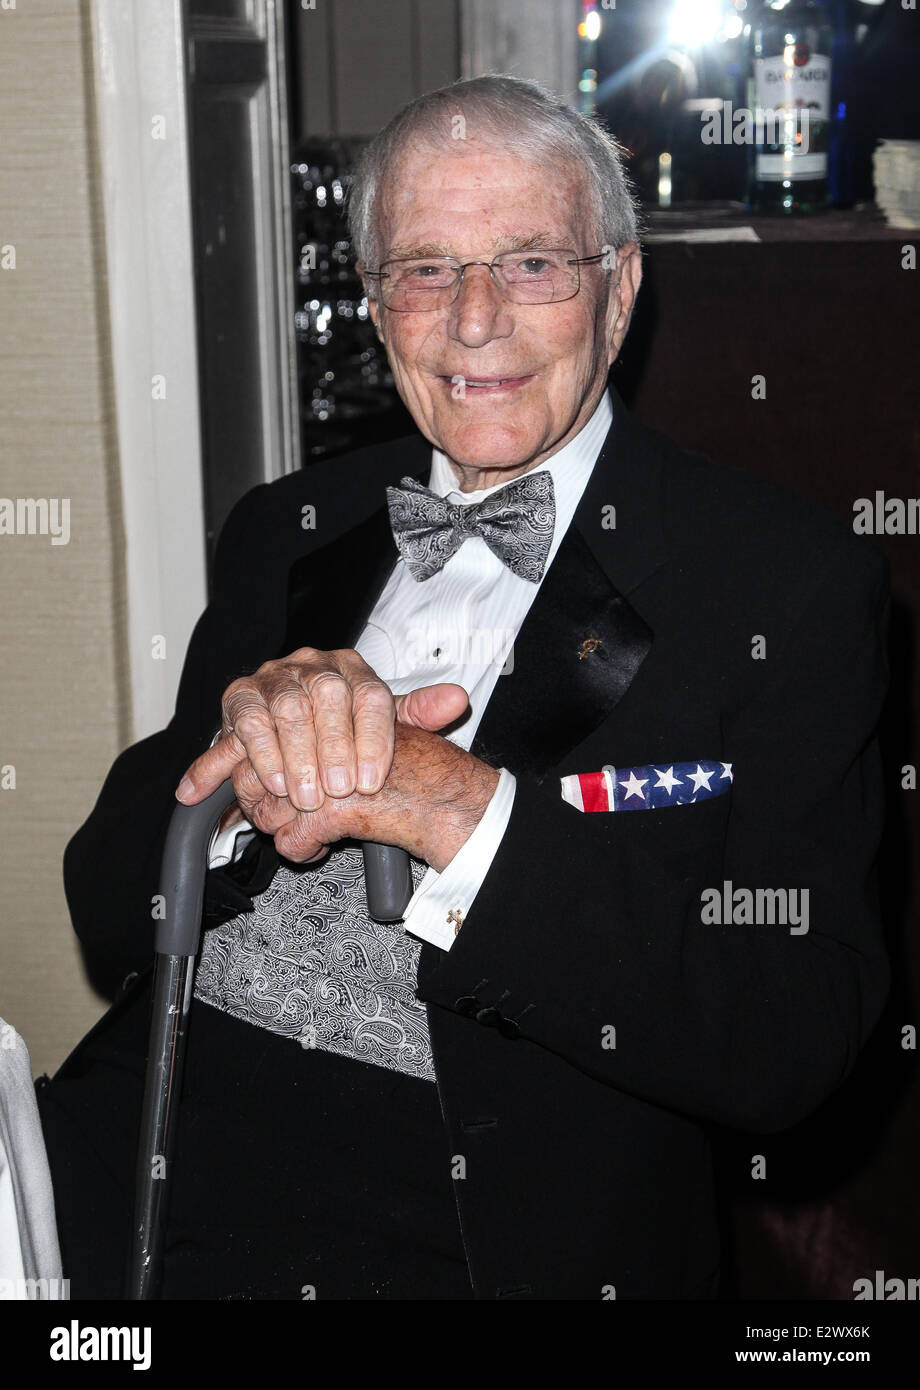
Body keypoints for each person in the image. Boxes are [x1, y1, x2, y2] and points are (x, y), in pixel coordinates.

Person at [38, 74, 890, 1301]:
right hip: (153, 1128)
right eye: (425, 270)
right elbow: (107, 906)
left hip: (474, 1213)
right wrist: (233, 782)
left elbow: (793, 1041)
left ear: (620, 288)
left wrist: (455, 811)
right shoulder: (289, 525)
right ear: (377, 307)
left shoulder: (783, 585)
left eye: (532, 262)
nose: (474, 321)